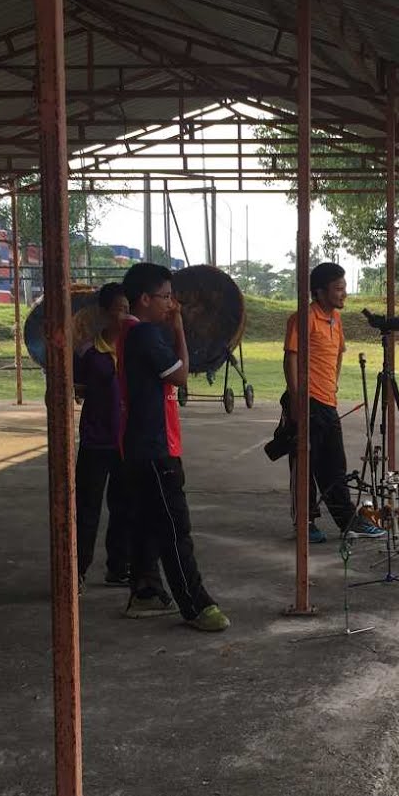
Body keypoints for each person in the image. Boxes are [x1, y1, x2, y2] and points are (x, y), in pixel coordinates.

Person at [119, 262, 230, 632]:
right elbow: (181, 376)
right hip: (154, 447)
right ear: (145, 299)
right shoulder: (146, 334)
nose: (171, 304)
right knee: (173, 527)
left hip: (141, 446)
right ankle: (195, 604)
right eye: (165, 297)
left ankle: (146, 593)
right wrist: (179, 329)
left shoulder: (133, 332)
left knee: (149, 525)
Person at [281, 262, 383, 544]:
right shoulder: (304, 318)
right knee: (304, 466)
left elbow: (338, 354)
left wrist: (334, 383)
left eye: (344, 288)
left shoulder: (336, 320)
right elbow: (290, 358)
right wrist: (297, 400)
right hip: (307, 402)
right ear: (320, 291)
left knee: (335, 466)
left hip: (328, 403)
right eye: (338, 289)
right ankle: (305, 523)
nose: (344, 294)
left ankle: (348, 522)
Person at [74, 282, 133, 587]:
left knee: (123, 507)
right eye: (119, 309)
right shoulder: (87, 351)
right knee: (87, 508)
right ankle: (78, 570)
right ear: (104, 312)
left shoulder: (137, 347)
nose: (124, 316)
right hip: (96, 440)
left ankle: (118, 567)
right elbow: (74, 389)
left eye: (128, 309)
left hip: (127, 441)